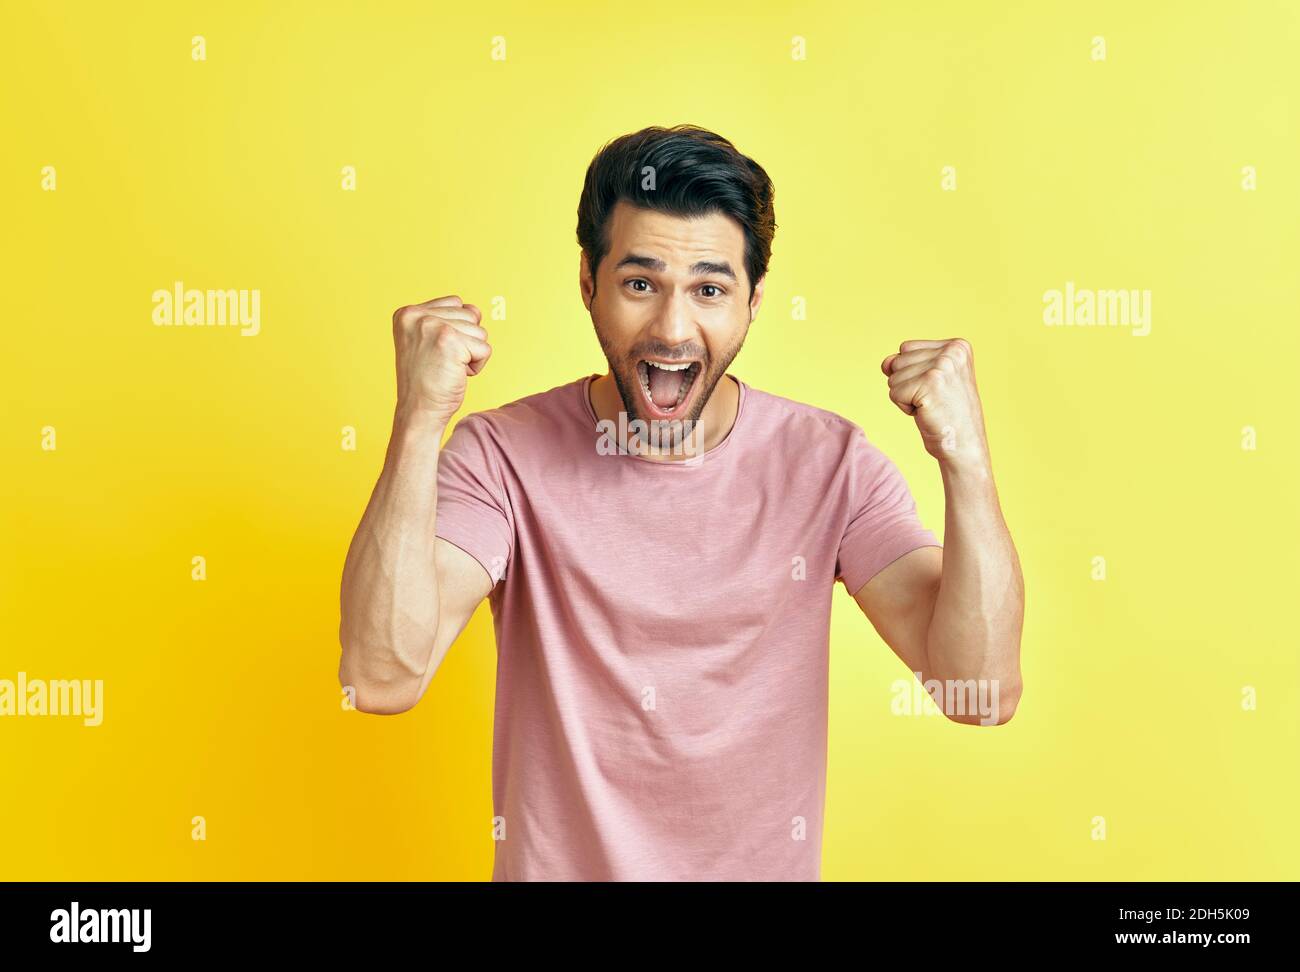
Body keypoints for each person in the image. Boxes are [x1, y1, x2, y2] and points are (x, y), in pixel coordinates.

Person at [338, 124, 1025, 881]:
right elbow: (379, 676)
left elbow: (982, 690)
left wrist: (967, 460)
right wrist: (418, 421)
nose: (671, 327)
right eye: (640, 283)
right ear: (587, 284)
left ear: (754, 300)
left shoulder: (830, 467)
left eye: (709, 289)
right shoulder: (503, 458)